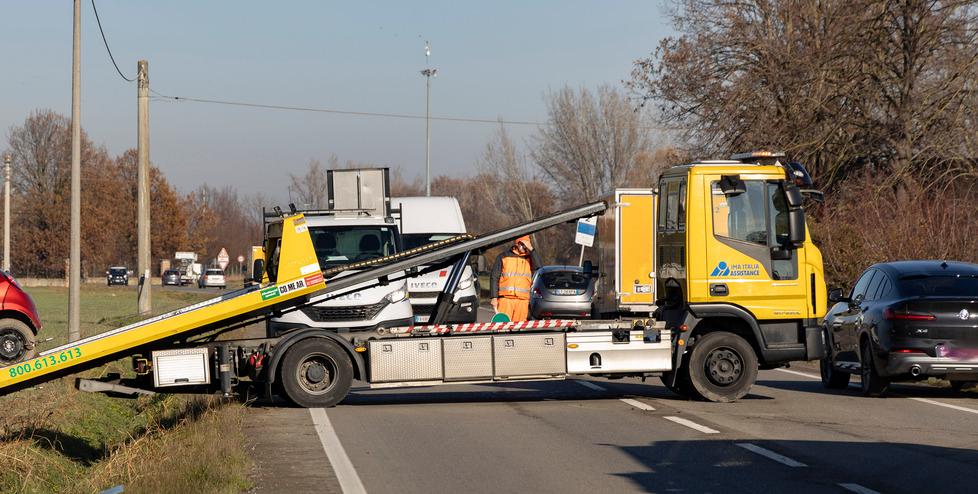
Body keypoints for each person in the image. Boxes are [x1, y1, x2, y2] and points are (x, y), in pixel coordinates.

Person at [489, 235, 541, 322]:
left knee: (518, 328)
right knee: (502, 327)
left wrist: (531, 249)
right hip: (505, 300)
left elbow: (539, 268)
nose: (524, 247)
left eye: (526, 245)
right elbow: (494, 277)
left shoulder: (530, 258)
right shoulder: (503, 257)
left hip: (522, 301)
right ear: (517, 244)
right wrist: (494, 297)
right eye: (523, 244)